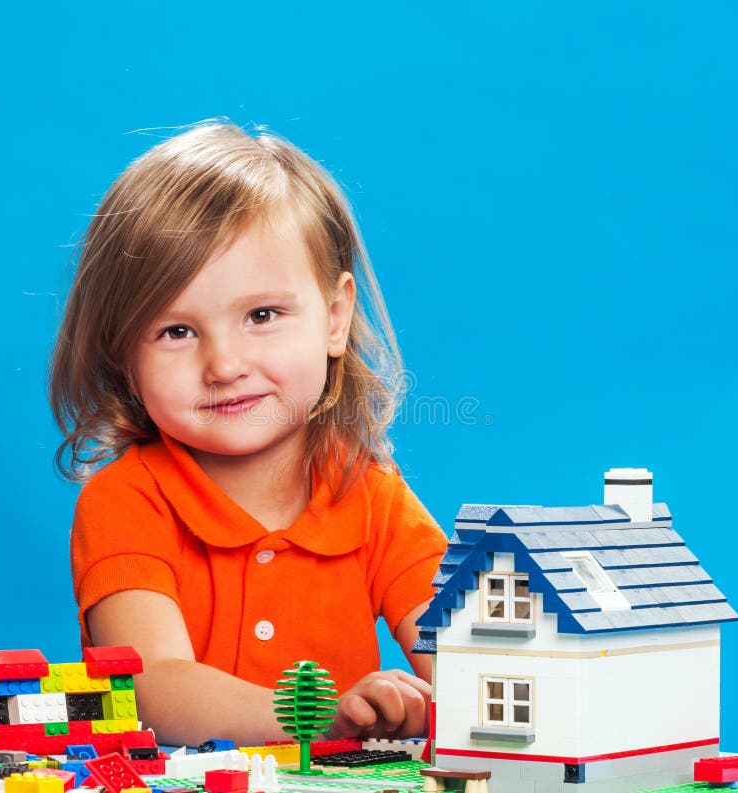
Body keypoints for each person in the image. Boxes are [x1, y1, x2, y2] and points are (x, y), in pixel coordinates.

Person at [50, 120, 447, 748]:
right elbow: (152, 688)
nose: (225, 365)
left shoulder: (372, 497)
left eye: (262, 315)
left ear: (335, 317)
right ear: (124, 353)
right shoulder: (127, 501)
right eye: (177, 331)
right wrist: (319, 715)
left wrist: (424, 702)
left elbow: (470, 651)